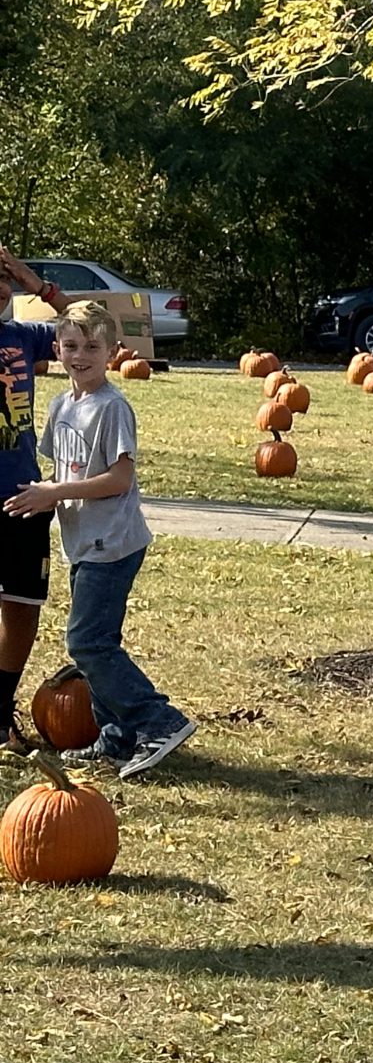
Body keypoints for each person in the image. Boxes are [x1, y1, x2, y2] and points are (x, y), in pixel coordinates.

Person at [3, 299, 197, 778]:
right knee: (96, 639)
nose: (80, 354)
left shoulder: (111, 407)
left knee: (88, 643)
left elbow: (118, 479)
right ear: (57, 349)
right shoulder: (62, 405)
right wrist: (48, 494)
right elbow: (61, 466)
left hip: (113, 543)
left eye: (93, 346)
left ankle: (159, 720)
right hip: (83, 542)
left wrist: (57, 492)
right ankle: (115, 738)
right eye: (71, 345)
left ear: (113, 352)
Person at [0, 246, 74, 753]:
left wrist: (36, 283)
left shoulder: (22, 337)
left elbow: (92, 332)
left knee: (22, 603)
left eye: (2, 275)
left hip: (23, 495)